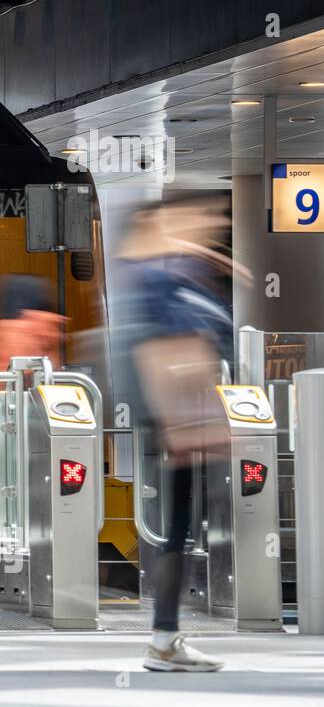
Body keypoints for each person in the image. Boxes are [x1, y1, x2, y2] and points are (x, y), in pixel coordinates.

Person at [114, 197, 241, 672]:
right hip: (185, 422)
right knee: (180, 530)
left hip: (188, 420)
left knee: (182, 530)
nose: (214, 225)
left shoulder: (167, 273)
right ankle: (164, 640)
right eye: (205, 217)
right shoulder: (156, 277)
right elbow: (165, 353)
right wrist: (186, 424)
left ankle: (165, 638)